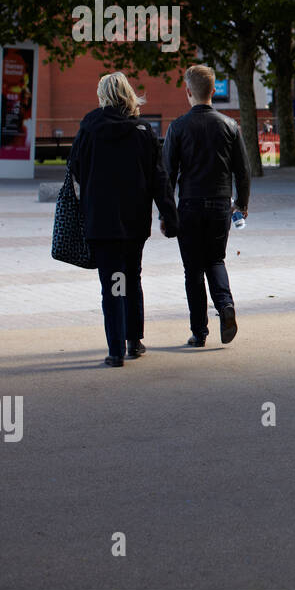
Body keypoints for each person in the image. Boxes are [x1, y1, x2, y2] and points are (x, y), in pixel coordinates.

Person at [69, 72, 178, 367]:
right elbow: (160, 178)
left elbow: (76, 167)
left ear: (102, 95)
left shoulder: (90, 127)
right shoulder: (143, 130)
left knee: (113, 283)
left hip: (102, 222)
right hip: (133, 221)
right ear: (129, 94)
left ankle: (115, 349)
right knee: (132, 278)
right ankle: (134, 340)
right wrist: (169, 216)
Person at [163, 65, 251, 348]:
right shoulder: (230, 126)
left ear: (188, 91)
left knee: (193, 270)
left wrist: (167, 213)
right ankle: (225, 306)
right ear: (213, 91)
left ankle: (199, 332)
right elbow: (243, 170)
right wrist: (242, 203)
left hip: (188, 204)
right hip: (219, 204)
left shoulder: (177, 127)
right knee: (215, 260)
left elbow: (168, 174)